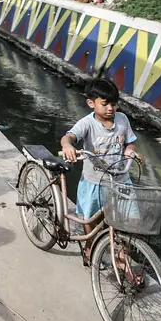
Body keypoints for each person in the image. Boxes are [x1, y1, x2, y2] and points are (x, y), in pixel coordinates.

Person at [60, 78, 137, 229]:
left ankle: (123, 252)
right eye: (105, 104)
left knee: (129, 219)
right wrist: (67, 145)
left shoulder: (122, 119)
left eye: (113, 104)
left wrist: (130, 150)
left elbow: (131, 141)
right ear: (91, 103)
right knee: (90, 217)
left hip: (121, 179)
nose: (110, 108)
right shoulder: (87, 123)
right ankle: (90, 247)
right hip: (94, 181)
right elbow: (68, 137)